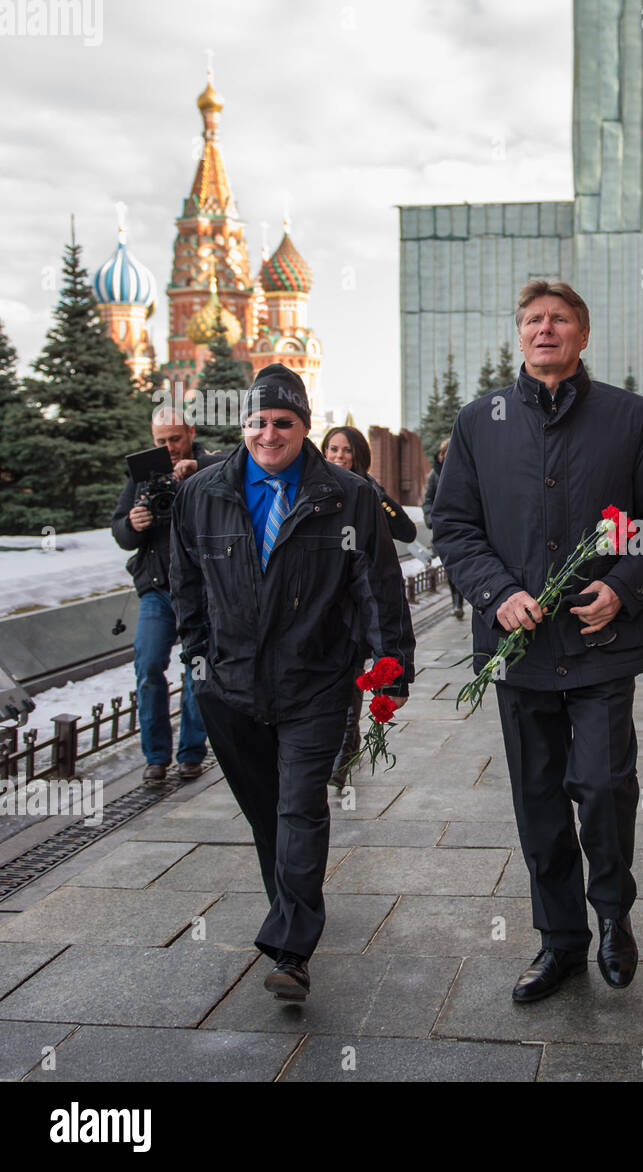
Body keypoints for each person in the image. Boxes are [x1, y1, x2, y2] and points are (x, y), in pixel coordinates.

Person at [431, 280, 643, 1004]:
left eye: (560, 320)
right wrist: (496, 592)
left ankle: (613, 915)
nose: (546, 330)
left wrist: (625, 589)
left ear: (582, 334)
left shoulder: (630, 419)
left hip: (601, 643)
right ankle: (560, 942)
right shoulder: (480, 421)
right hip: (518, 652)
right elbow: (454, 526)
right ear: (519, 334)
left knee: (604, 786)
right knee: (538, 798)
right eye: (533, 320)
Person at [171, 363, 415, 1002]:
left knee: (299, 807)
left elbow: (377, 591)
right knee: (266, 817)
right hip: (230, 692)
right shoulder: (204, 494)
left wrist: (389, 672)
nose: (268, 435)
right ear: (243, 425)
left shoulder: (346, 495)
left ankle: (291, 948)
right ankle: (291, 916)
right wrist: (200, 664)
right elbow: (186, 587)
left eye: (283, 423)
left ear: (305, 425)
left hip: (316, 684)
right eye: (257, 422)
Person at [110, 406, 222, 782]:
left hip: (201, 590)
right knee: (147, 667)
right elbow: (122, 533)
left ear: (190, 431)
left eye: (175, 438)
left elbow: (239, 465)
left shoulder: (210, 463)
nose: (169, 447)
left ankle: (191, 752)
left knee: (197, 669)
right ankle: (155, 757)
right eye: (161, 441)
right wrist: (132, 522)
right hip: (157, 590)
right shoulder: (143, 474)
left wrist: (197, 472)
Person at [321, 424, 417, 788]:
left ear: (359, 456)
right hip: (328, 605)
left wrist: (376, 497)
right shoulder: (317, 489)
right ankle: (341, 747)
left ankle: (343, 755)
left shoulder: (368, 492)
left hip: (362, 605)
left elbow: (406, 531)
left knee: (350, 679)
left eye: (346, 451)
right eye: (332, 449)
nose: (339, 456)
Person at [423, 438, 464, 618]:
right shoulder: (434, 475)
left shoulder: (464, 471)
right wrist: (432, 519)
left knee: (462, 566)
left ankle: (460, 600)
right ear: (441, 456)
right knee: (451, 568)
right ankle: (457, 601)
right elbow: (427, 501)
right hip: (444, 529)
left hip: (463, 528)